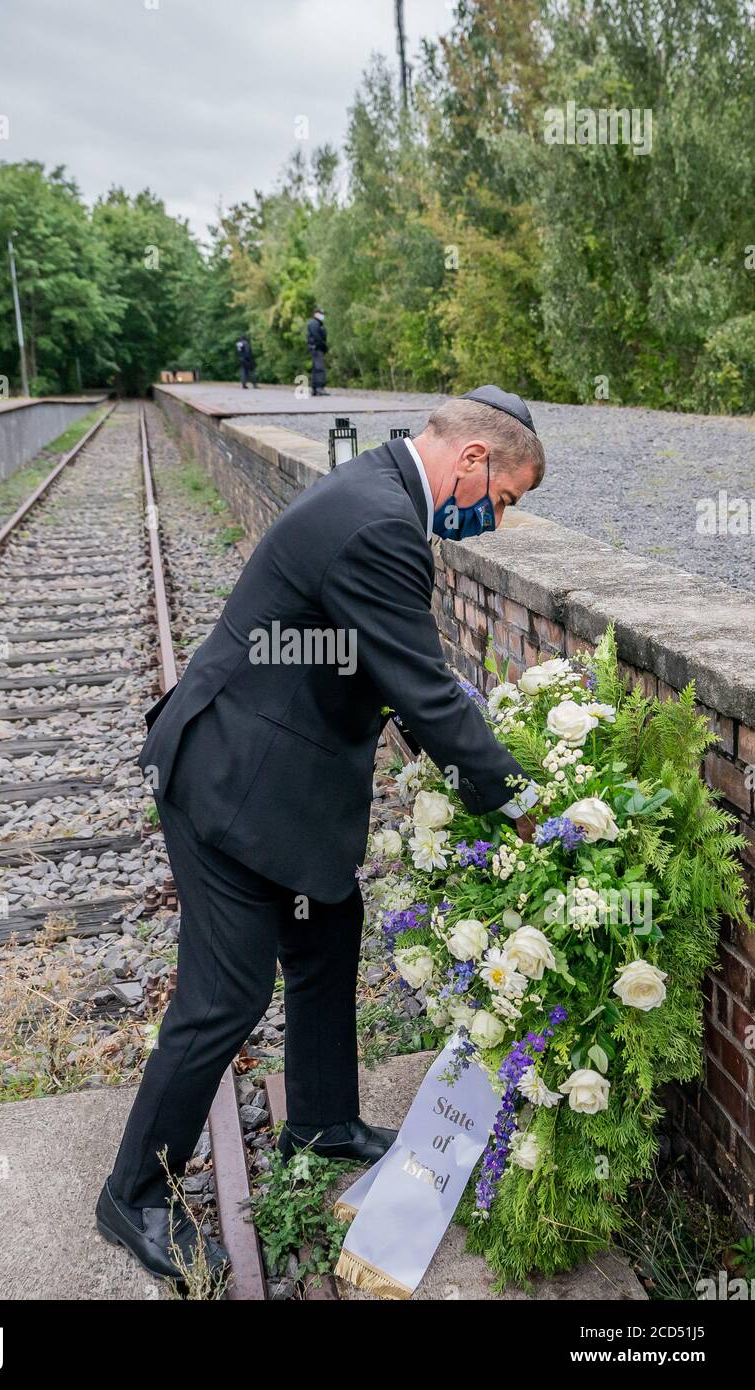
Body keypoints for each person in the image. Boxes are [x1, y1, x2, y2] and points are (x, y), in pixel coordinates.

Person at [97, 384, 546, 1284]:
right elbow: (421, 688)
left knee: (326, 928)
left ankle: (320, 1119)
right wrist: (516, 803)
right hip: (228, 780)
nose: (494, 520)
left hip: (273, 773)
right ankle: (133, 1196)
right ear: (471, 461)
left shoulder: (377, 495)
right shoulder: (380, 523)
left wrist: (456, 760)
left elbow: (398, 673)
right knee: (223, 999)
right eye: (502, 498)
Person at [306, 308, 328, 395]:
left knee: (316, 368)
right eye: (320, 313)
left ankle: (315, 389)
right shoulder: (314, 323)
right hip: (317, 348)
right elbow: (317, 336)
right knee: (319, 368)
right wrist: (323, 345)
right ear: (315, 314)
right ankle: (319, 388)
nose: (322, 315)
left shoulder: (317, 323)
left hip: (317, 348)